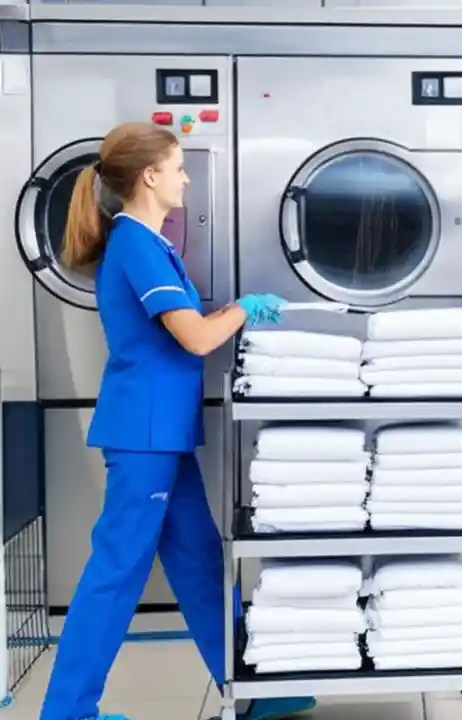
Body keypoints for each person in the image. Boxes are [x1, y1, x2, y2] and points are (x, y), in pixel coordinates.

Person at [38, 122, 314, 720]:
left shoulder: (151, 244)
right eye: (179, 167)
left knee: (198, 559)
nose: (186, 179)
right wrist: (244, 309)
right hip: (144, 436)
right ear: (150, 175)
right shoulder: (136, 244)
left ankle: (249, 690)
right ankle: (67, 712)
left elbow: (183, 327)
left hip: (163, 432)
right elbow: (194, 338)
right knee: (116, 571)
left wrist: (232, 311)